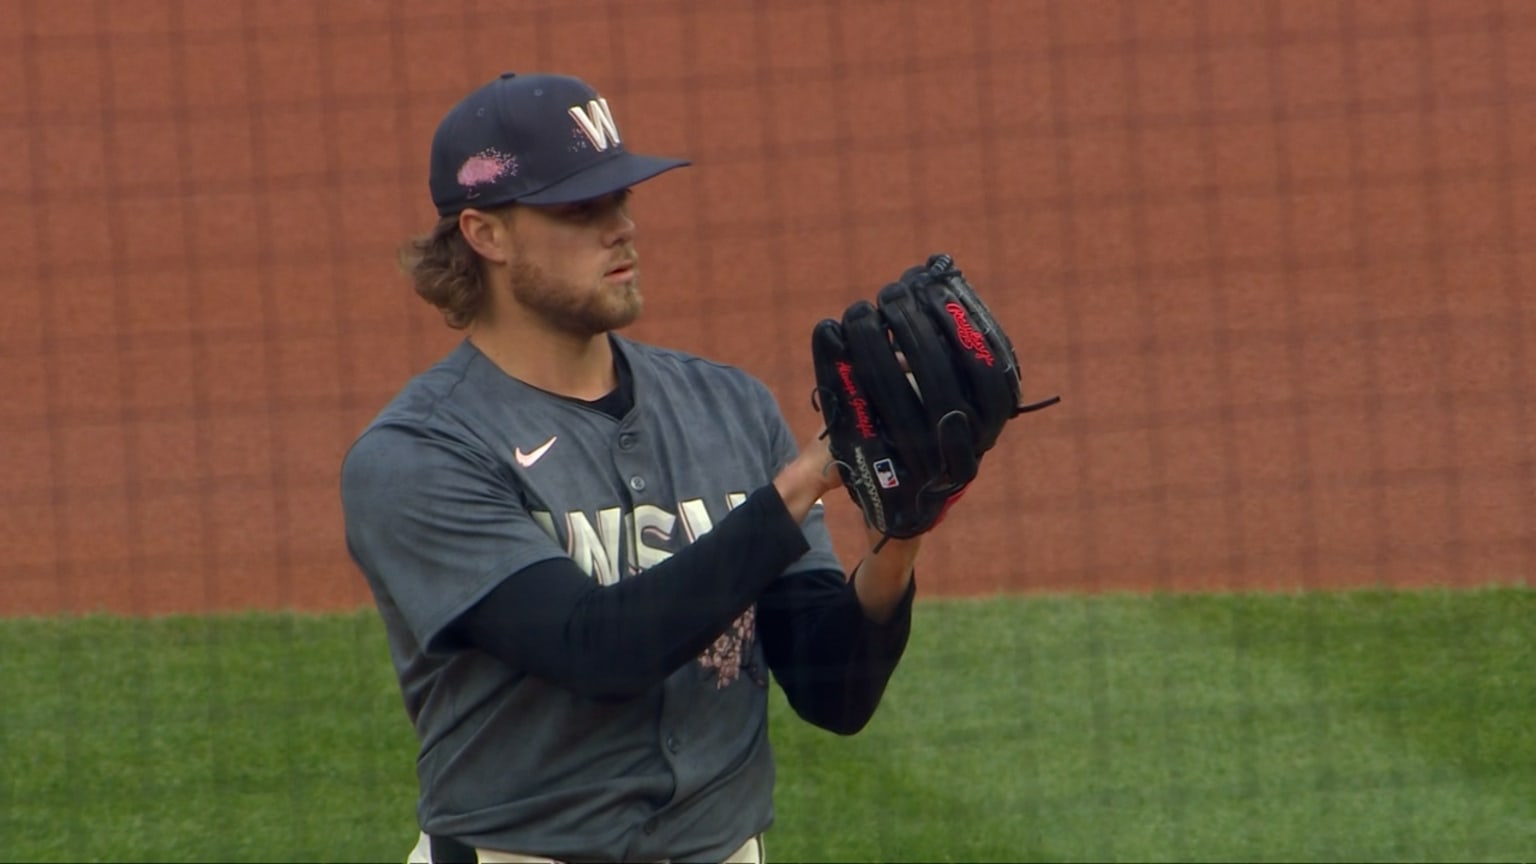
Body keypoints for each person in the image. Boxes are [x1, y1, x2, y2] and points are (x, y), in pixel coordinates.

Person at [341, 71, 933, 864]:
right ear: (486, 234)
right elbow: (597, 648)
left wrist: (902, 533)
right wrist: (804, 480)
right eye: (580, 208)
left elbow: (834, 693)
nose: (621, 227)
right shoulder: (418, 456)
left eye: (621, 198)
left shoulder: (729, 408)